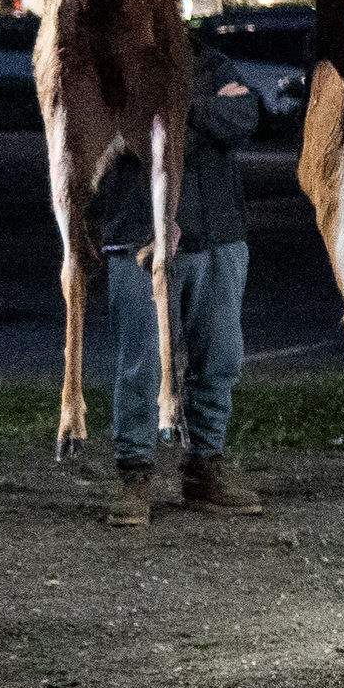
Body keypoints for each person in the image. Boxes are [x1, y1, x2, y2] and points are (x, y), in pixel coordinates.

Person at [93, 38, 263, 526]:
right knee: (140, 364)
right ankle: (134, 478)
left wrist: (171, 112)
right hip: (139, 237)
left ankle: (203, 470)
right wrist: (207, 110)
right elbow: (113, 139)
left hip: (219, 237)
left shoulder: (208, 60)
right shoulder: (115, 66)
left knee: (220, 358)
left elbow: (245, 118)